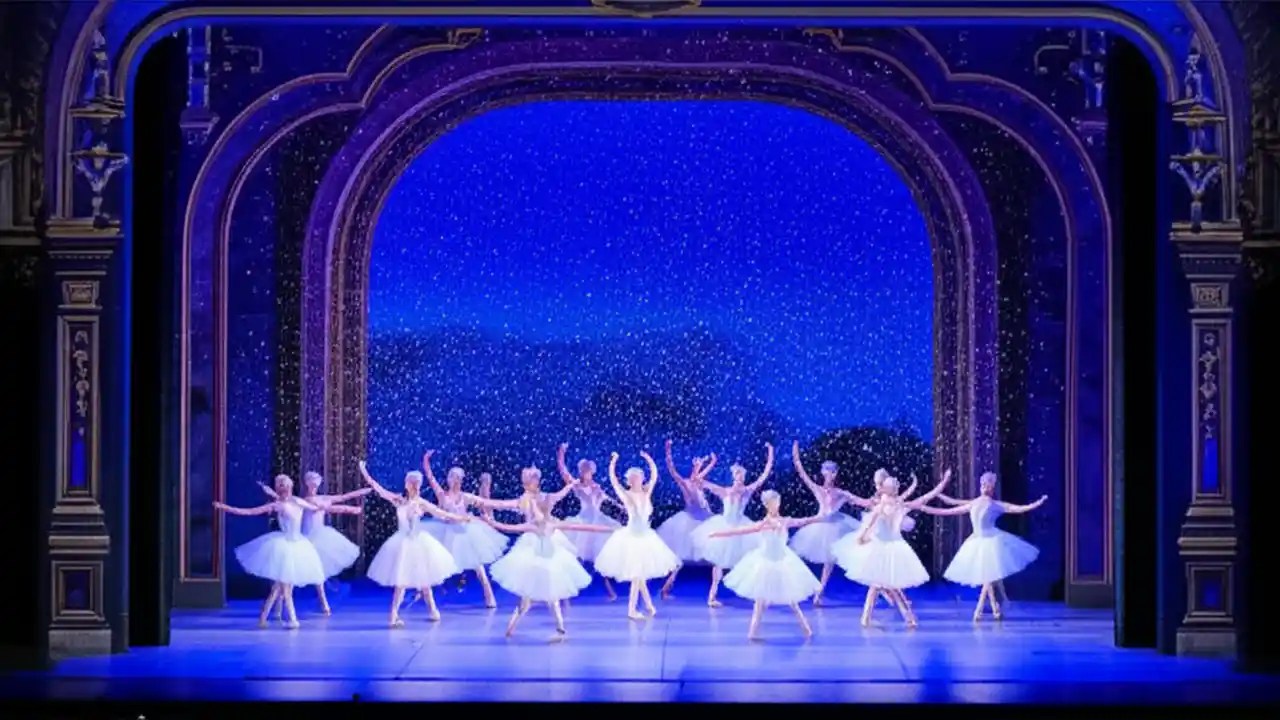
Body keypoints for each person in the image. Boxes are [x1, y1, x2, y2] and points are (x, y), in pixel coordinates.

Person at [483, 496, 615, 639]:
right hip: (536, 565)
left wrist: (606, 528)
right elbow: (509, 527)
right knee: (525, 602)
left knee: (553, 599)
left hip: (551, 564)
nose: (543, 513)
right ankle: (511, 628)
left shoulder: (552, 525)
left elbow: (580, 527)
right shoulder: (533, 526)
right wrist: (491, 522)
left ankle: (560, 629)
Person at [358, 461, 469, 626]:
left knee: (424, 580)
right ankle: (393, 615)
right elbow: (379, 489)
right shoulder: (399, 500)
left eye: (418, 484)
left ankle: (432, 610)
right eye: (413, 483)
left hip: (418, 543)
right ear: (407, 484)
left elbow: (441, 513)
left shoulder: (421, 502)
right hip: (403, 543)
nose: (416, 487)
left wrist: (461, 518)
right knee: (401, 582)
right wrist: (364, 471)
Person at [214, 474, 327, 629]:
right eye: (281, 487)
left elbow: (316, 507)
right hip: (284, 547)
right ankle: (292, 619)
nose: (284, 490)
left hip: (298, 546)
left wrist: (328, 505)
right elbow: (250, 512)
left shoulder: (298, 501)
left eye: (286, 486)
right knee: (285, 587)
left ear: (290, 487)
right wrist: (226, 508)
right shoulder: (277, 505)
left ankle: (263, 617)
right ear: (278, 490)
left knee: (277, 588)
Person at [711, 490, 823, 639]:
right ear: (767, 505)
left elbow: (803, 520)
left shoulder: (785, 521)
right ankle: (752, 633)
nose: (776, 504)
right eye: (773, 502)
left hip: (783, 562)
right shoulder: (764, 524)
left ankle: (807, 630)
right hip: (764, 563)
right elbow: (741, 531)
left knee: (792, 601)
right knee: (759, 602)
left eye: (778, 501)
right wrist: (719, 534)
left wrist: (818, 517)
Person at [935, 472, 1046, 620]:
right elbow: (952, 505)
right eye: (983, 484)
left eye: (988, 485)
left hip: (991, 541)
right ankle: (995, 610)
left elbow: (1018, 508)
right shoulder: (974, 502)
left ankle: (979, 611)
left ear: (992, 488)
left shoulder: (995, 505)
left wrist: (1037, 503)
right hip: (976, 541)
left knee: (988, 577)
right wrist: (934, 498)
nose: (984, 487)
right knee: (988, 577)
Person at [257, 471, 367, 616]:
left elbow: (342, 498)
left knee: (315, 574)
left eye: (316, 485)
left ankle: (322, 604)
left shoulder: (320, 498)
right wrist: (349, 509)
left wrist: (360, 494)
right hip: (305, 540)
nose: (313, 487)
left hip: (320, 538)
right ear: (307, 485)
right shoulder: (303, 500)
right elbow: (282, 500)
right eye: (311, 485)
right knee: (288, 574)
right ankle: (279, 606)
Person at [593, 451, 681, 620]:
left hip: (645, 537)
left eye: (638, 477)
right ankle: (632, 610)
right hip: (631, 538)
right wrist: (614, 462)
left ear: (641, 479)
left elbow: (654, 476)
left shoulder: (646, 492)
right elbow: (614, 482)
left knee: (639, 576)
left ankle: (649, 606)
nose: (636, 480)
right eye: (632, 478)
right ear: (629, 480)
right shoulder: (627, 495)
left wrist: (649, 460)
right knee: (637, 576)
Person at [692, 442, 775, 607]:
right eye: (737, 476)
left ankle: (758, 594)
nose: (739, 479)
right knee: (719, 563)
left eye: (741, 476)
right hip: (725, 526)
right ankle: (712, 597)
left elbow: (764, 476)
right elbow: (698, 481)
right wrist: (700, 466)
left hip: (742, 529)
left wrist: (770, 453)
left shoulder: (747, 491)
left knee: (751, 562)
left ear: (743, 479)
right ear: (733, 477)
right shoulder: (725, 491)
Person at [789, 441, 862, 606]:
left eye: (832, 472)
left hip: (835, 527)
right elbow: (803, 474)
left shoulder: (841, 493)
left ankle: (819, 593)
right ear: (823, 473)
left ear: (835, 474)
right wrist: (796, 457)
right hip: (818, 526)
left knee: (829, 562)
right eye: (826, 471)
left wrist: (873, 502)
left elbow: (859, 501)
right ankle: (800, 586)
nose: (829, 474)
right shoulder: (818, 489)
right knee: (800, 557)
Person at [556, 443, 623, 600]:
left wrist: (621, 506)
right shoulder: (577, 485)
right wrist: (561, 453)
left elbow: (607, 499)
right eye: (585, 471)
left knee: (600, 558)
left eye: (590, 471)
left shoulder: (596, 486)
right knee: (577, 557)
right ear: (581, 472)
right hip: (583, 523)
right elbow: (563, 471)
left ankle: (610, 591)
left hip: (599, 521)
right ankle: (567, 588)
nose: (588, 474)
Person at [657, 440, 716, 598]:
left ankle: (714, 591)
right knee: (680, 559)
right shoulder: (686, 483)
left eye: (699, 469)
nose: (698, 472)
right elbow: (672, 470)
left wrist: (712, 462)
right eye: (696, 468)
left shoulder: (698, 482)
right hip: (689, 522)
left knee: (716, 552)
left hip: (704, 520)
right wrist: (668, 450)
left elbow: (705, 471)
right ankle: (666, 586)